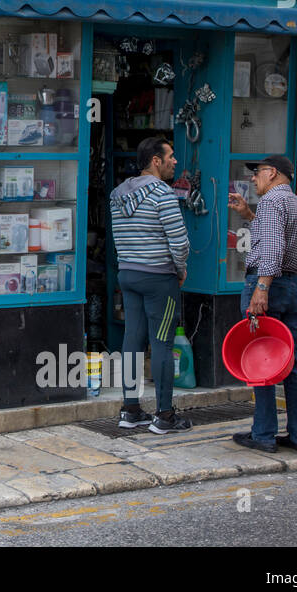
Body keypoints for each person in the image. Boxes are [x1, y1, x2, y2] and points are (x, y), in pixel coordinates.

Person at [227, 154, 297, 454]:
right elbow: (277, 237)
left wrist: (261, 290)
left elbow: (273, 247)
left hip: (269, 286)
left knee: (261, 360)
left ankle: (263, 434)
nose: (253, 178)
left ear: (273, 173)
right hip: (292, 286)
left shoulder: (271, 203)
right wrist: (249, 215)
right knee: (292, 364)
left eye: (258, 173)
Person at [109, 137, 192, 433]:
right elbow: (179, 242)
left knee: (132, 339)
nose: (175, 162)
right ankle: (165, 415)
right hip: (159, 277)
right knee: (161, 343)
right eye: (170, 156)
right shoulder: (163, 194)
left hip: (128, 274)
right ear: (155, 161)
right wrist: (180, 270)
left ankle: (130, 409)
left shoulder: (117, 193)